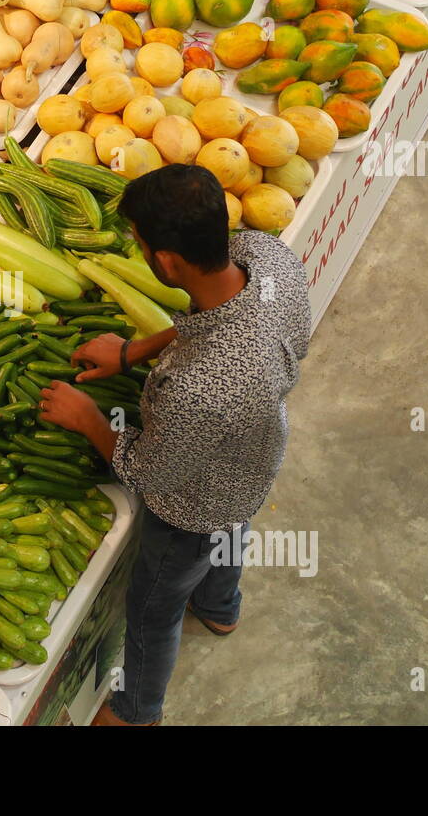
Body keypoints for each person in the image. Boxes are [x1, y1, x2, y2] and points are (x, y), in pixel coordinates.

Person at [39, 164, 310, 726]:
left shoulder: (197, 388)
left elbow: (149, 474)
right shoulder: (266, 256)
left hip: (192, 504)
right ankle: (219, 609)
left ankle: (137, 711)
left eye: (137, 242)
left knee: (153, 607)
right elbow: (214, 316)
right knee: (235, 522)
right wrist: (135, 350)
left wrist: (88, 419)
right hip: (257, 450)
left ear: (165, 262)